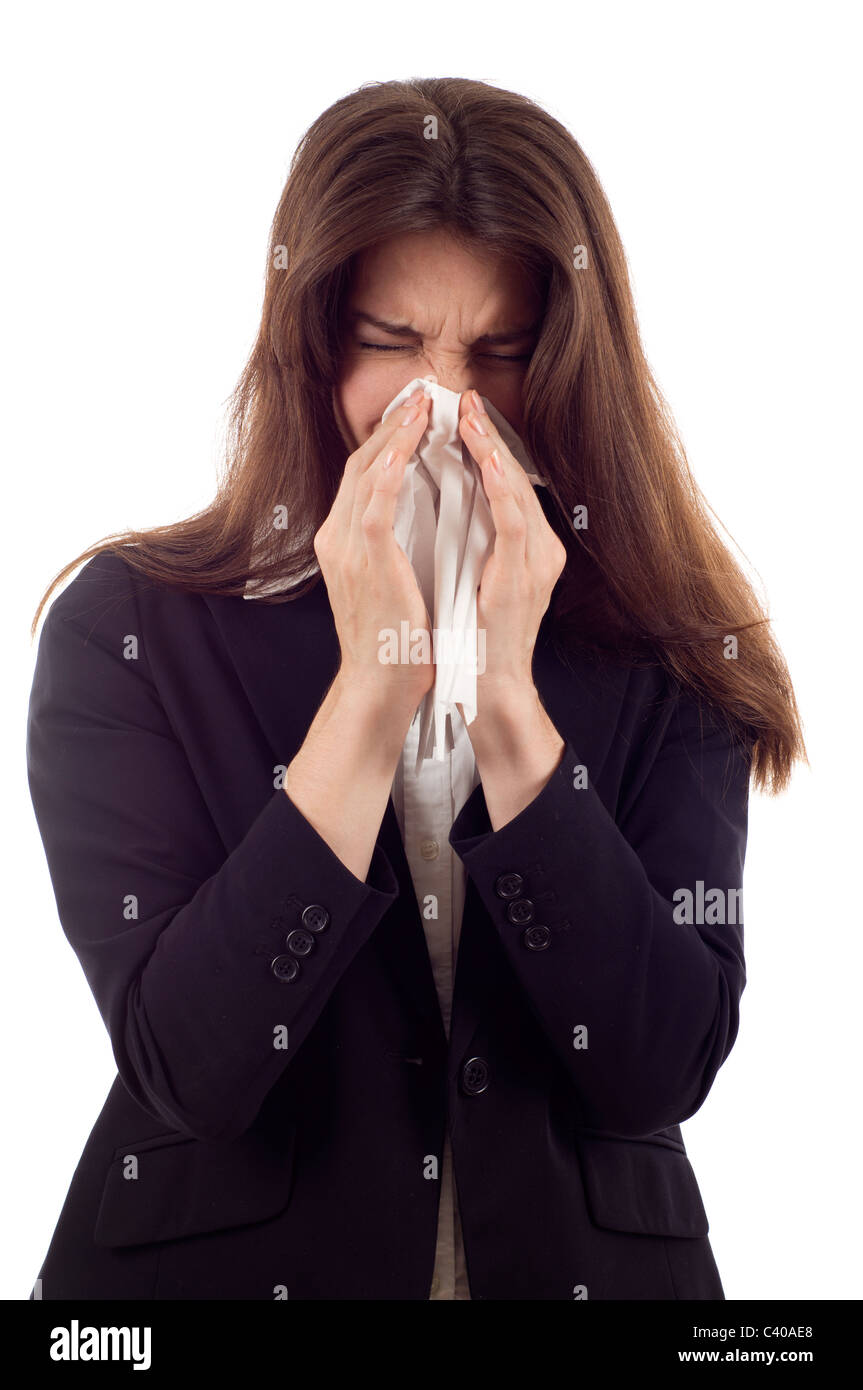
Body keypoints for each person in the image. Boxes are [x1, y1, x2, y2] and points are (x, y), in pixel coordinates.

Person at [26, 76, 804, 1301]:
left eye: (495, 354)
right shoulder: (128, 627)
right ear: (312, 340)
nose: (442, 404)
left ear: (562, 367)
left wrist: (506, 702)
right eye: (390, 343)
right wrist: (371, 693)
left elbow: (658, 1071)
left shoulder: (666, 647)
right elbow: (192, 1064)